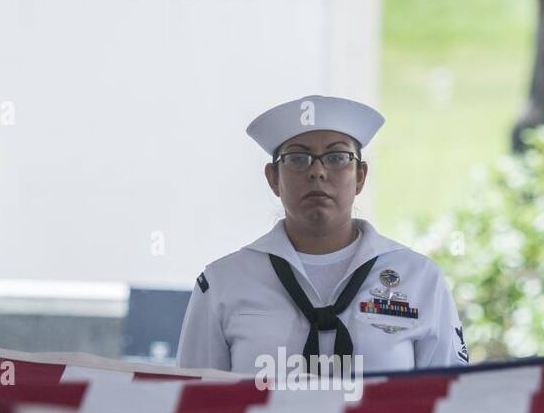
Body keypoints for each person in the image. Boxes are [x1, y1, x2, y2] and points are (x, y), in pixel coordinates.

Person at [176, 95, 469, 374]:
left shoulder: (419, 278)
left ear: (360, 176)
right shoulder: (223, 283)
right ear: (273, 178)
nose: (317, 172)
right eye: (297, 159)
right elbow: (191, 404)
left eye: (337, 157)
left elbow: (451, 400)